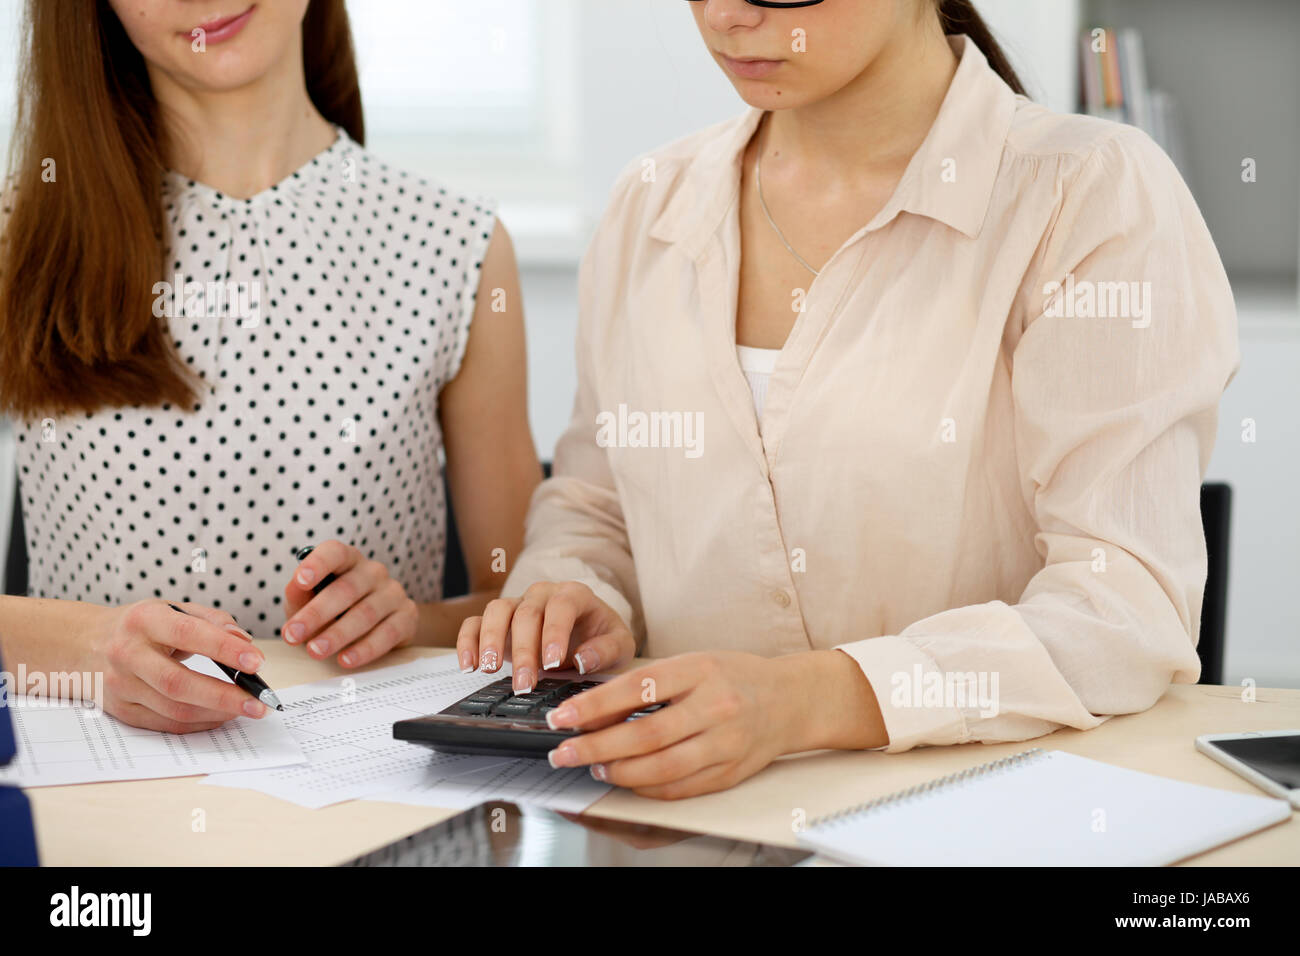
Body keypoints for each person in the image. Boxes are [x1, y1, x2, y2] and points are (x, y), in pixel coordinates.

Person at [458, 0, 1240, 798]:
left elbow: (1124, 606)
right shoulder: (648, 204)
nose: (725, 15)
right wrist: (574, 590)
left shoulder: (1089, 194)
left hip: (984, 813)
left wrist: (804, 701)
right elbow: (597, 506)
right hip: (683, 815)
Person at [0, 0, 540, 732]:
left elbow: (515, 605)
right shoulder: (21, 237)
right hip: (101, 800)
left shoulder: (457, 247)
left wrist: (409, 622)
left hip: (360, 791)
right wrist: (92, 647)